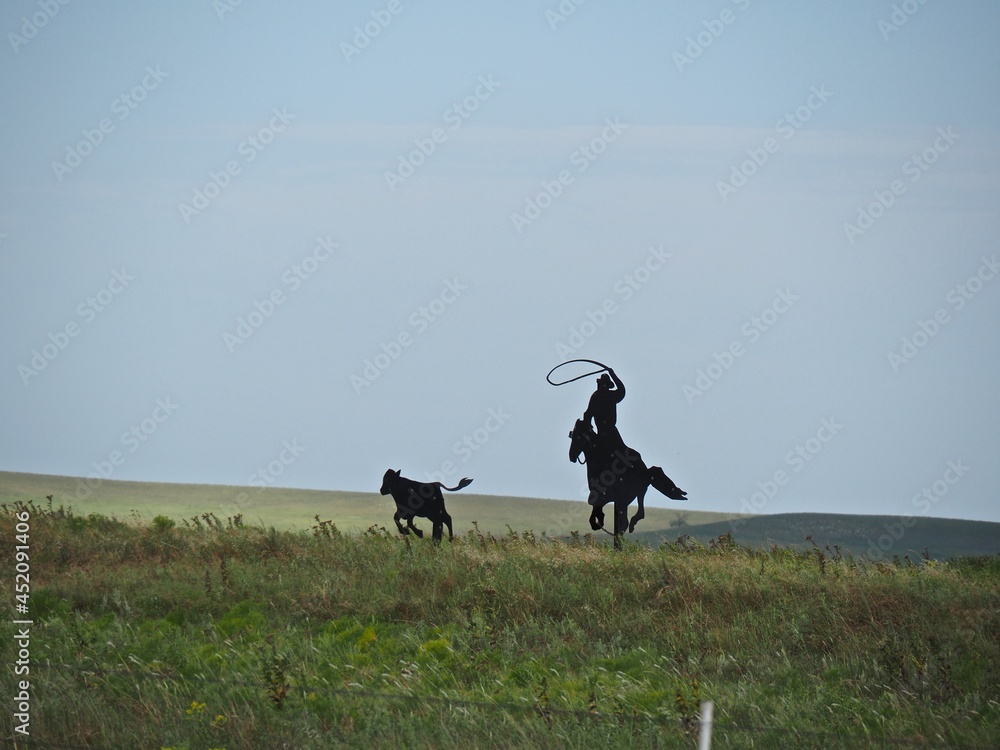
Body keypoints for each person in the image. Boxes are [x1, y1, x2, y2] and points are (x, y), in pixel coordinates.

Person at [583, 368, 627, 456]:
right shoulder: (596, 396)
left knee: (623, 452)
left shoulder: (611, 395)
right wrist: (588, 429)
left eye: (603, 384)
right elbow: (588, 414)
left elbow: (622, 390)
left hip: (611, 431)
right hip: (601, 432)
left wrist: (613, 375)